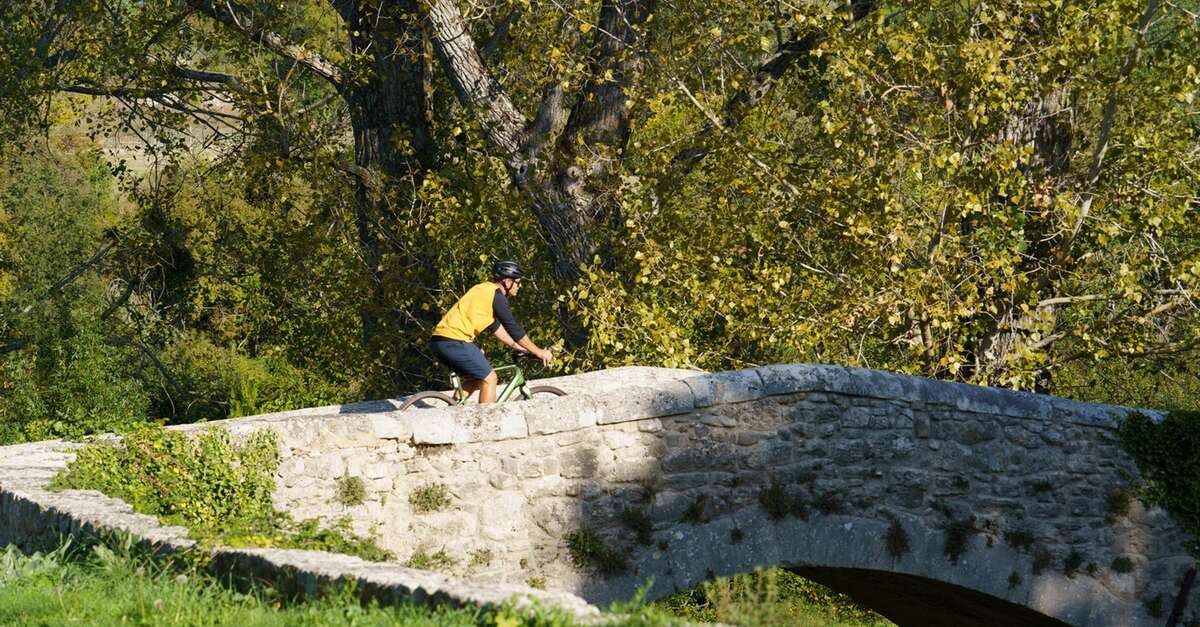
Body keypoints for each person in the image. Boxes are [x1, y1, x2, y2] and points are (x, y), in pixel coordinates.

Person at [429, 260, 553, 403]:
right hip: (455, 341)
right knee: (490, 378)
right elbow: (513, 328)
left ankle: (454, 408)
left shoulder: (483, 290)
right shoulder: (496, 295)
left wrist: (520, 348)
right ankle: (487, 422)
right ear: (507, 282)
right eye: (518, 282)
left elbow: (495, 327)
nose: (520, 286)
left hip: (439, 342)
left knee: (477, 378)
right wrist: (539, 351)